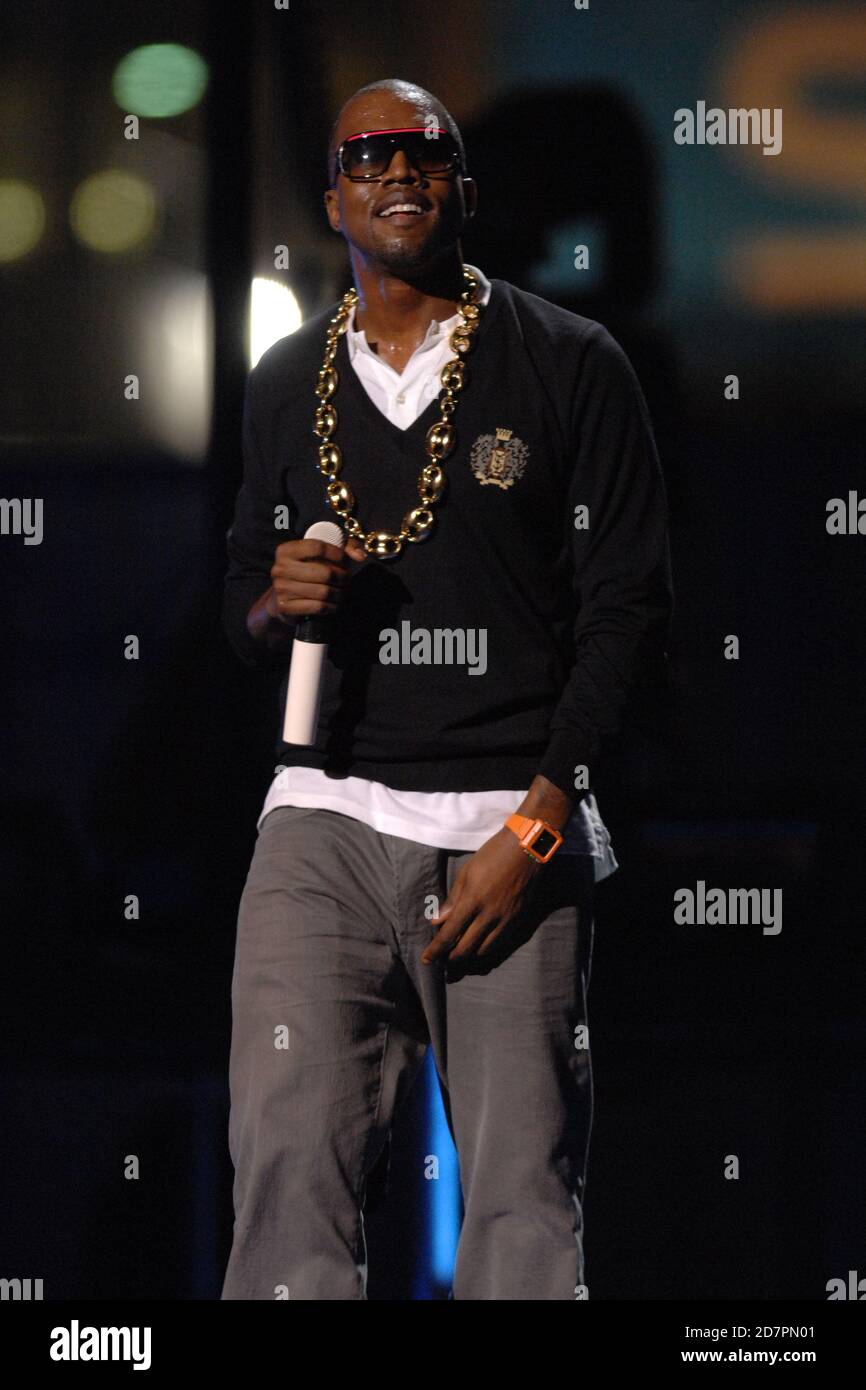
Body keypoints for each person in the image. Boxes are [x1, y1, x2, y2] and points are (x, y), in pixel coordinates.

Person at [220, 78, 673, 1301]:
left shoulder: (571, 364)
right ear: (333, 198)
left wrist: (534, 828)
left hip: (504, 822)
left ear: (462, 191)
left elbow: (626, 616)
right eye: (367, 155)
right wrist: (281, 598)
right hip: (324, 815)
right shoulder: (282, 378)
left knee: (521, 1203)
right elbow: (237, 611)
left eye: (424, 153)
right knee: (282, 1173)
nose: (398, 169)